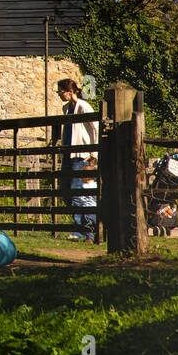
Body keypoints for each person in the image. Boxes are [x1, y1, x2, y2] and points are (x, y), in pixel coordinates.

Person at [56, 78, 99, 241]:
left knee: (78, 193)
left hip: (80, 155)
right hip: (68, 154)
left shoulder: (83, 106)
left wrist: (94, 152)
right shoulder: (66, 108)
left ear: (70, 91)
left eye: (61, 92)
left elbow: (96, 127)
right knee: (65, 191)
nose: (59, 95)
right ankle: (81, 228)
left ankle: (83, 231)